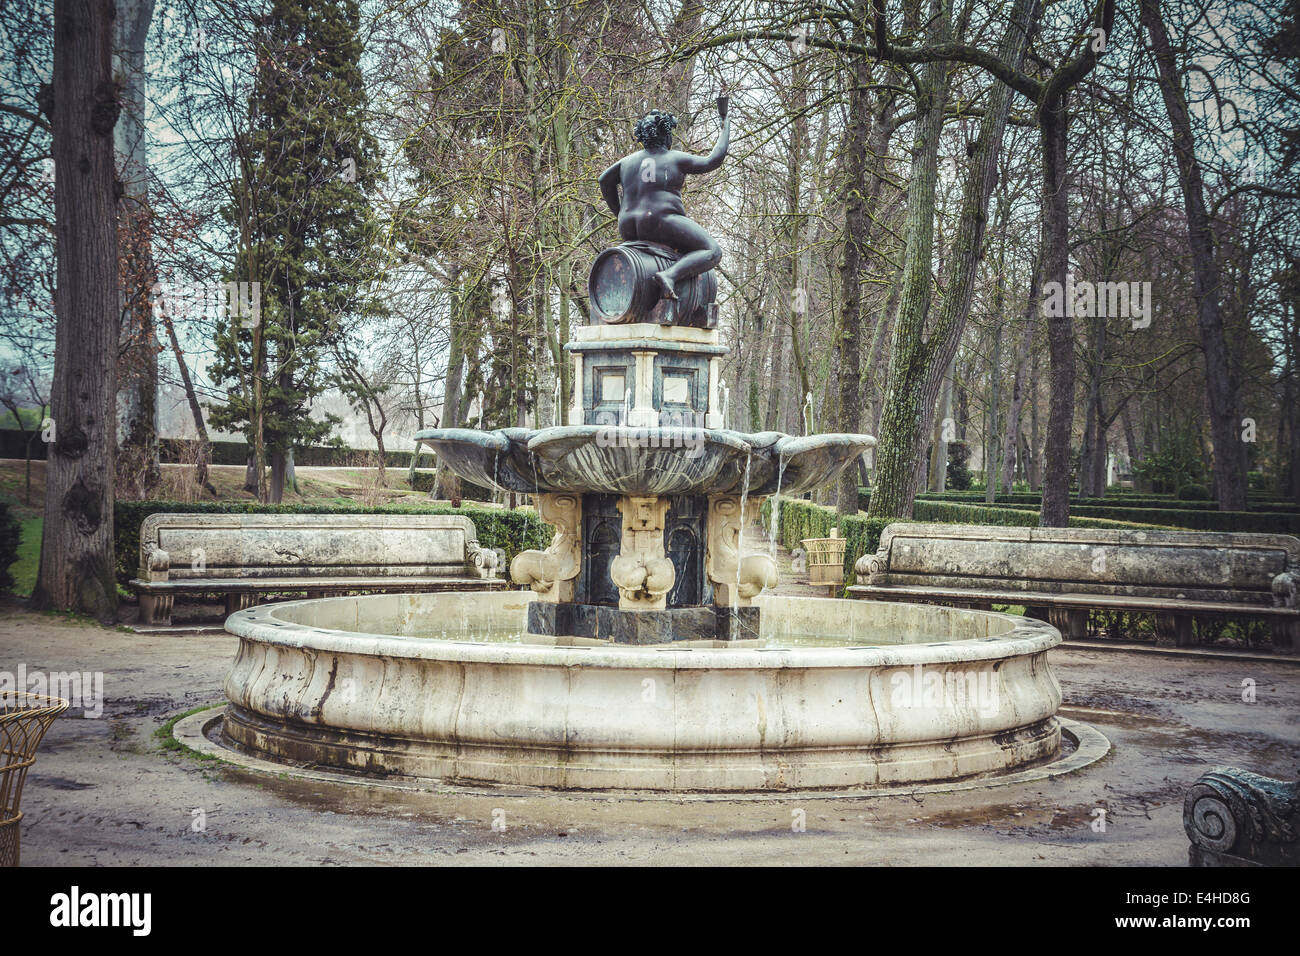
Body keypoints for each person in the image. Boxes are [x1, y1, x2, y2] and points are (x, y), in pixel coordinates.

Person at [598, 96, 729, 302]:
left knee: (685, 248)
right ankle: (669, 275)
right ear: (666, 135)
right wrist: (725, 123)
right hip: (661, 221)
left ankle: (671, 272)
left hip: (628, 228)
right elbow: (714, 160)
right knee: (712, 251)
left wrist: (620, 213)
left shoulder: (626, 162)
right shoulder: (673, 157)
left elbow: (604, 180)